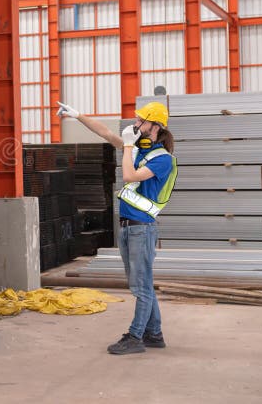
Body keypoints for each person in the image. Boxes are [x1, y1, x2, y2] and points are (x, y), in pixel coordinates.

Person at [56, 100, 178, 355]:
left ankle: (136, 337)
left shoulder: (162, 159)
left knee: (141, 286)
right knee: (142, 283)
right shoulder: (140, 150)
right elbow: (105, 132)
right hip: (128, 228)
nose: (135, 124)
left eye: (140, 121)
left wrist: (129, 147)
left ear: (154, 126)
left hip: (141, 229)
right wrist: (78, 115)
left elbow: (130, 176)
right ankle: (154, 334)